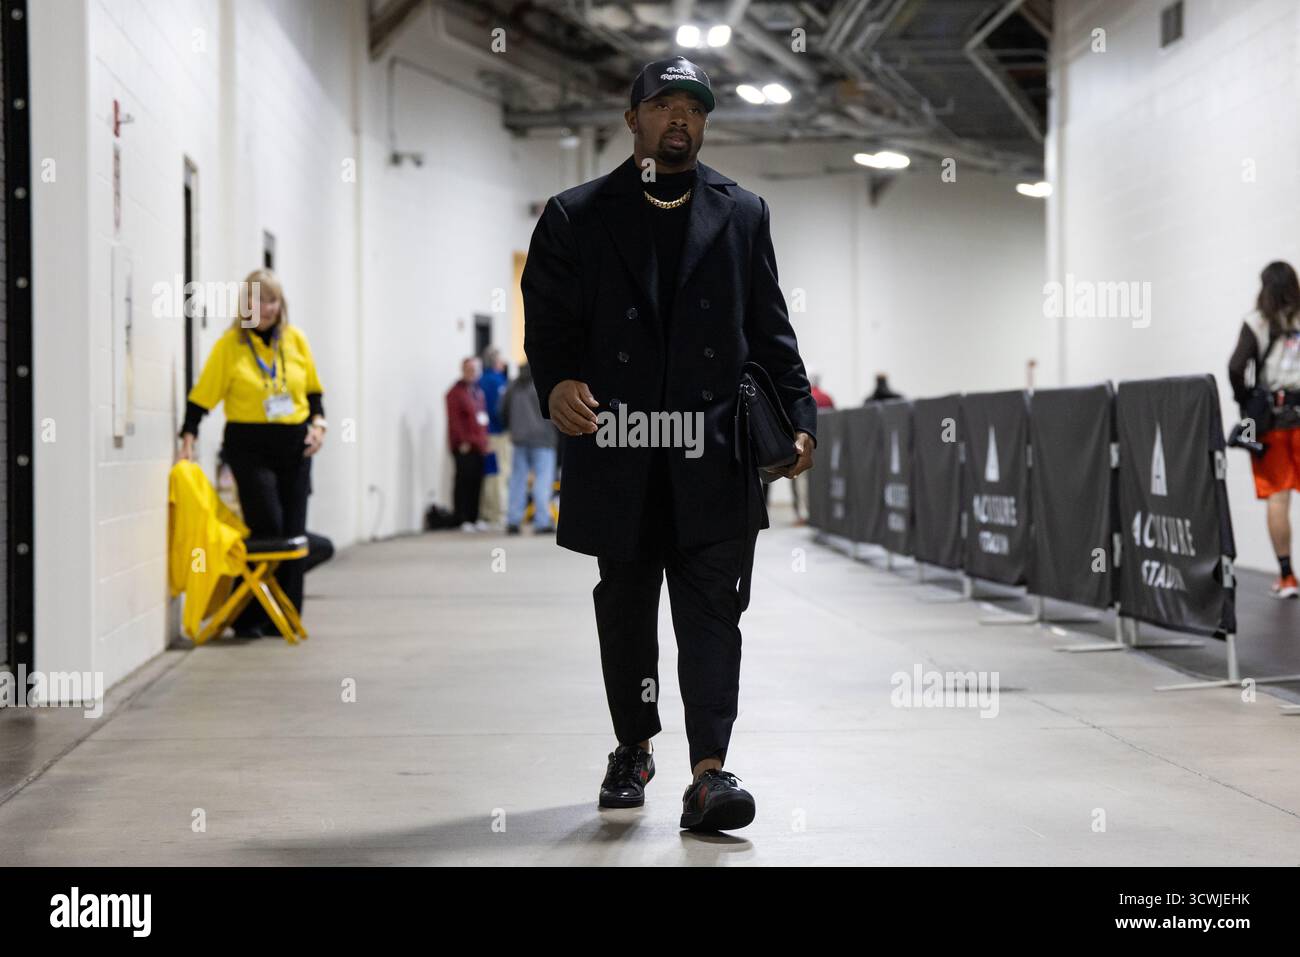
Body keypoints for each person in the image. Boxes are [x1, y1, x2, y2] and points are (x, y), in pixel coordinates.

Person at [521, 56, 816, 833]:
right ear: (633, 119)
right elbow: (547, 329)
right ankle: (633, 744)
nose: (680, 118)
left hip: (713, 452)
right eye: (664, 104)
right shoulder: (574, 216)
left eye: (694, 107)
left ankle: (710, 773)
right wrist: (554, 384)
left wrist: (800, 414)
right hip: (619, 447)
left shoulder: (741, 211)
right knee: (625, 609)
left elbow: (770, 329)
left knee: (714, 610)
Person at [177, 268, 327, 637]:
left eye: (272, 300)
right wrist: (188, 436)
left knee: (294, 532)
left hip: (295, 444)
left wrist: (320, 427)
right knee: (269, 528)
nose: (265, 308)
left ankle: (286, 616)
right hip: (249, 446)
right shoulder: (229, 347)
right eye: (257, 300)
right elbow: (203, 396)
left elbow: (312, 393)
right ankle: (250, 615)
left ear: (281, 305)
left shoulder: (295, 340)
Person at [1229, 260, 1300, 597]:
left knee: (1278, 498)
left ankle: (1287, 577)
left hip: (1273, 420)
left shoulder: (1255, 323)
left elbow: (1236, 366)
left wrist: (1247, 401)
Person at [500, 363, 557, 534]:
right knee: (543, 479)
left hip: (519, 439)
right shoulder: (544, 383)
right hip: (543, 439)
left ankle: (513, 520)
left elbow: (502, 410)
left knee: (517, 479)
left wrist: (513, 428)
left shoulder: (513, 385)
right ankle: (542, 521)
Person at [446, 356, 489, 532]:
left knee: (477, 481)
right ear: (463, 370)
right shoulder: (455, 393)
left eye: (475, 370)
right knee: (464, 480)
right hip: (464, 446)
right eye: (469, 369)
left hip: (479, 444)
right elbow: (455, 420)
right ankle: (462, 517)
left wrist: (485, 441)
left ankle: (474, 516)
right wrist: (462, 440)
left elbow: (482, 418)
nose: (472, 373)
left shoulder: (478, 392)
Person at [478, 347, 510, 528]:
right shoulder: (497, 381)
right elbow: (499, 409)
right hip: (496, 434)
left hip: (486, 433)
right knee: (499, 473)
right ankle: (497, 512)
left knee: (490, 474)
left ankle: (488, 511)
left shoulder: (481, 380)